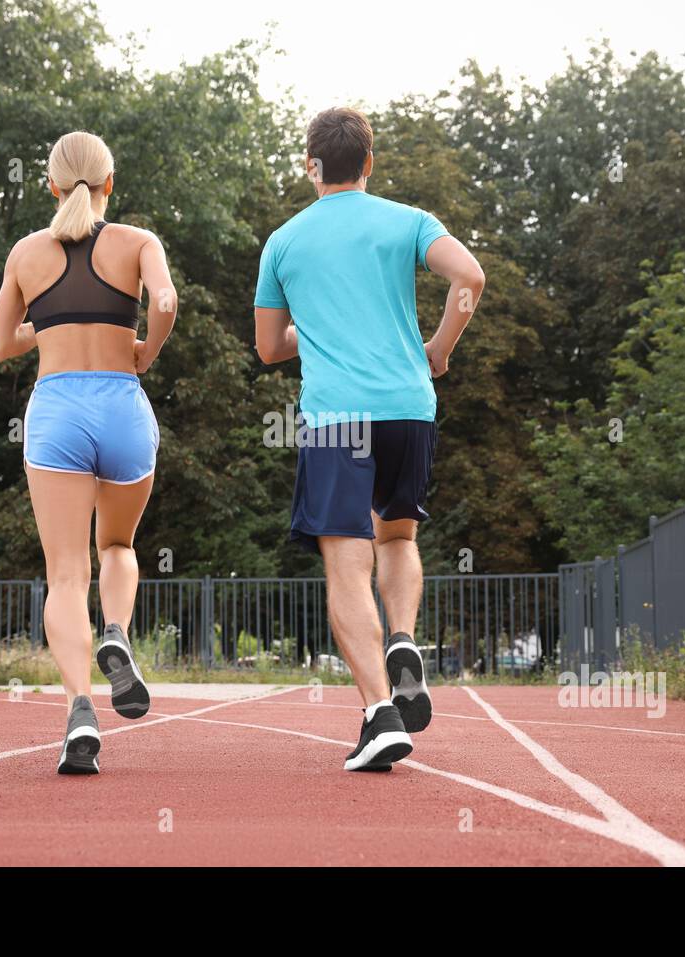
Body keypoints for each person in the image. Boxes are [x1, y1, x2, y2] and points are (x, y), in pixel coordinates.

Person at [254, 108, 485, 771]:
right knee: (399, 536)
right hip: (410, 407)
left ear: (310, 165)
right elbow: (469, 279)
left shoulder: (284, 242)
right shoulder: (409, 221)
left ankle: (380, 713)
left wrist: (317, 331)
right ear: (370, 163)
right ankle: (404, 637)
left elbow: (270, 347)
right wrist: (438, 347)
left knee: (346, 563)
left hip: (338, 419)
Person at [0, 130, 177, 774]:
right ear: (109, 185)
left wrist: (49, 323)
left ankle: (79, 715)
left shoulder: (26, 254)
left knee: (66, 576)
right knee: (118, 547)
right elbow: (168, 300)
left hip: (58, 410)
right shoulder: (137, 241)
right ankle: (118, 634)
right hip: (123, 404)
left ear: (50, 185)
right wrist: (145, 352)